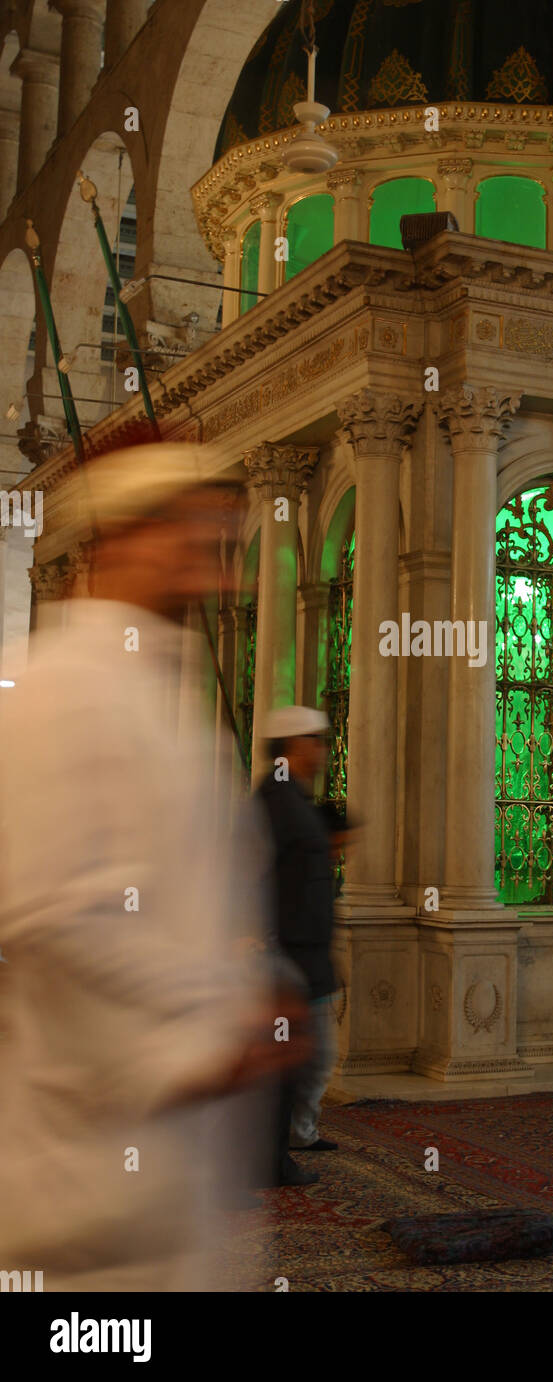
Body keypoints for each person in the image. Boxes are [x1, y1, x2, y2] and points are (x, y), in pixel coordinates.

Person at [0, 444, 309, 1290]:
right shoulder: (61, 691)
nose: (221, 577)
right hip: (90, 1178)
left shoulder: (156, 696)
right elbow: (53, 917)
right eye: (197, 543)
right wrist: (209, 1040)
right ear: (130, 539)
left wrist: (253, 988)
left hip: (171, 1182)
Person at [256, 707, 340, 1188]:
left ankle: (278, 1154)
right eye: (315, 741)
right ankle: (266, 1163)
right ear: (294, 746)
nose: (322, 751)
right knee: (282, 1065)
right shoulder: (276, 801)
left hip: (302, 957)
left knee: (299, 1061)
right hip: (285, 959)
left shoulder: (291, 797)